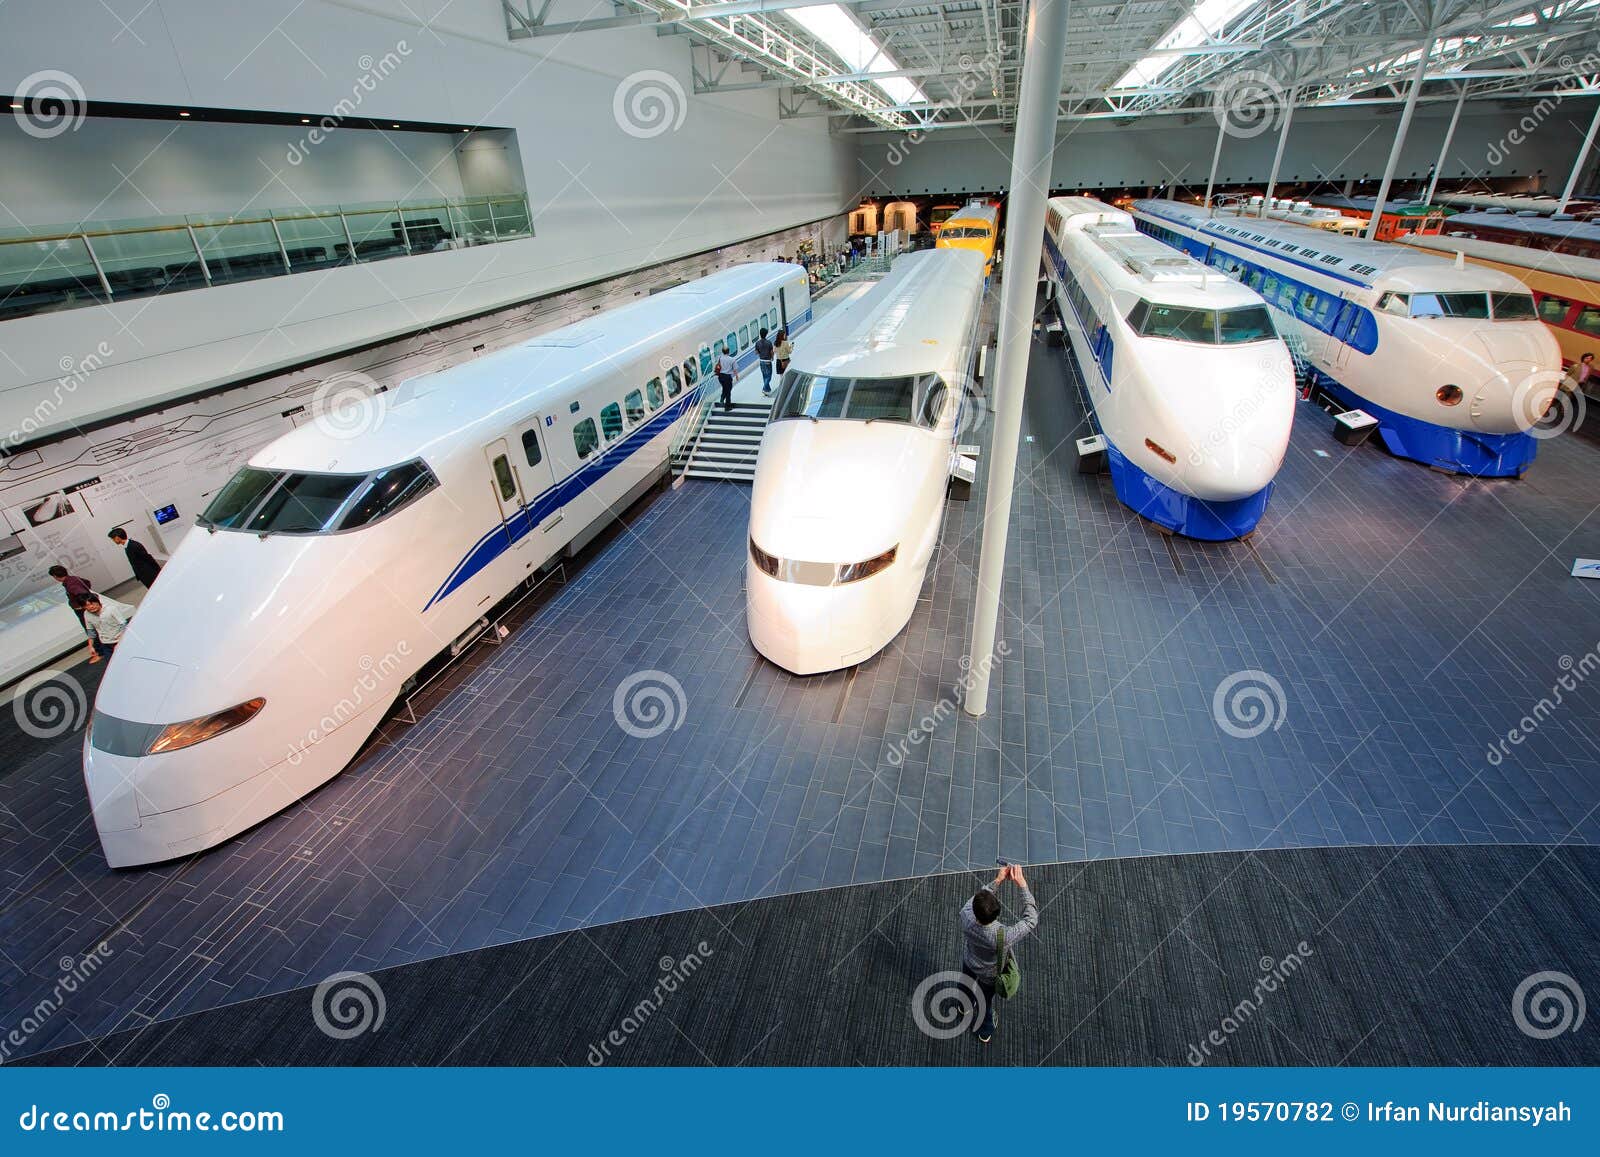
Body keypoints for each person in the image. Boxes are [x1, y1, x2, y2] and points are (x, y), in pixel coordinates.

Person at [959, 862, 1039, 1044]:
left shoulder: (965, 914)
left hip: (969, 960)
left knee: (964, 983)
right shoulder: (1003, 935)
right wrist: (1023, 885)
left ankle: (963, 1006)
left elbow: (978, 898)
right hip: (990, 975)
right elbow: (1031, 920)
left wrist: (998, 879)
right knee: (985, 1001)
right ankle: (985, 1030)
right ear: (996, 915)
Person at [73, 592, 135, 663]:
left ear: (97, 601)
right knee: (112, 664)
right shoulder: (86, 614)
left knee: (129, 661)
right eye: (86, 606)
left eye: (92, 603)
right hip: (106, 644)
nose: (91, 607)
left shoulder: (111, 609)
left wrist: (120, 642)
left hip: (121, 641)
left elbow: (124, 625)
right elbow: (91, 632)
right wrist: (91, 646)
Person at [714, 344, 737, 412]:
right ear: (728, 351)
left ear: (722, 351)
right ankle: (727, 407)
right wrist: (737, 376)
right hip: (727, 377)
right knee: (728, 391)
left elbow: (718, 366)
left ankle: (722, 397)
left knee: (725, 388)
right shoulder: (731, 359)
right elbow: (735, 369)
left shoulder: (720, 358)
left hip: (720, 377)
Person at [754, 327, 775, 396]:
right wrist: (772, 357)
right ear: (766, 334)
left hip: (761, 361)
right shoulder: (769, 343)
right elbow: (772, 352)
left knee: (764, 376)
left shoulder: (757, 343)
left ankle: (767, 390)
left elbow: (756, 352)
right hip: (767, 361)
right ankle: (764, 388)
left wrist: (760, 351)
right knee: (769, 376)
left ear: (760, 334)